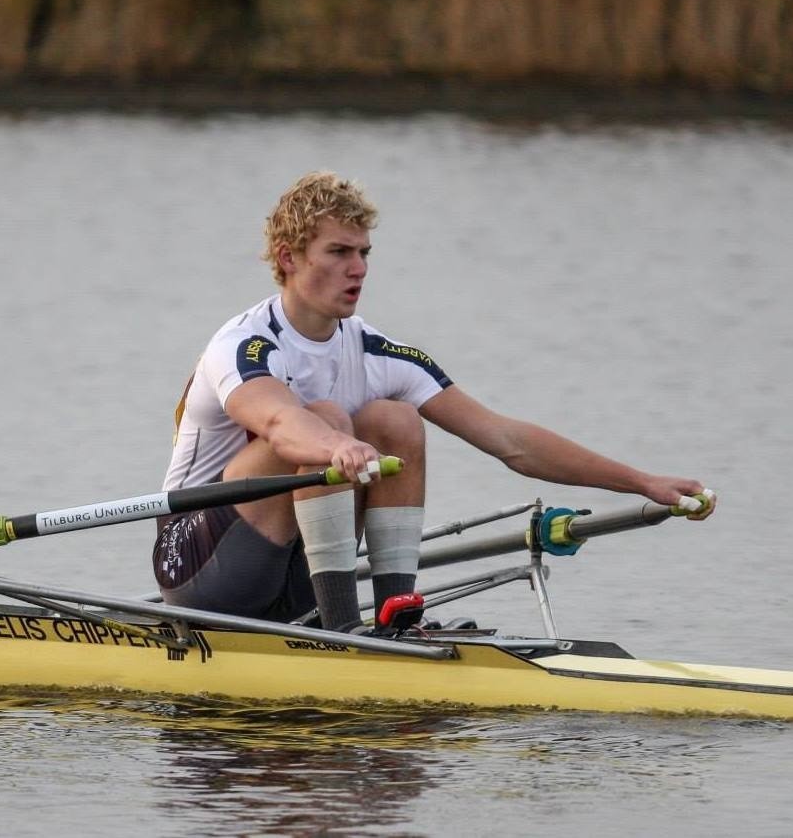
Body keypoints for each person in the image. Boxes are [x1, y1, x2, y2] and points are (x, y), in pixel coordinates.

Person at [154, 171, 715, 632]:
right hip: (199, 564)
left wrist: (642, 482)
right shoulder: (243, 345)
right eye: (340, 252)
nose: (359, 269)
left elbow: (509, 442)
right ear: (290, 258)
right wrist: (336, 443)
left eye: (365, 252)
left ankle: (395, 619)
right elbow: (279, 422)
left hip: (298, 564)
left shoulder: (377, 352)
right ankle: (343, 629)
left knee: (394, 419)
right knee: (324, 418)